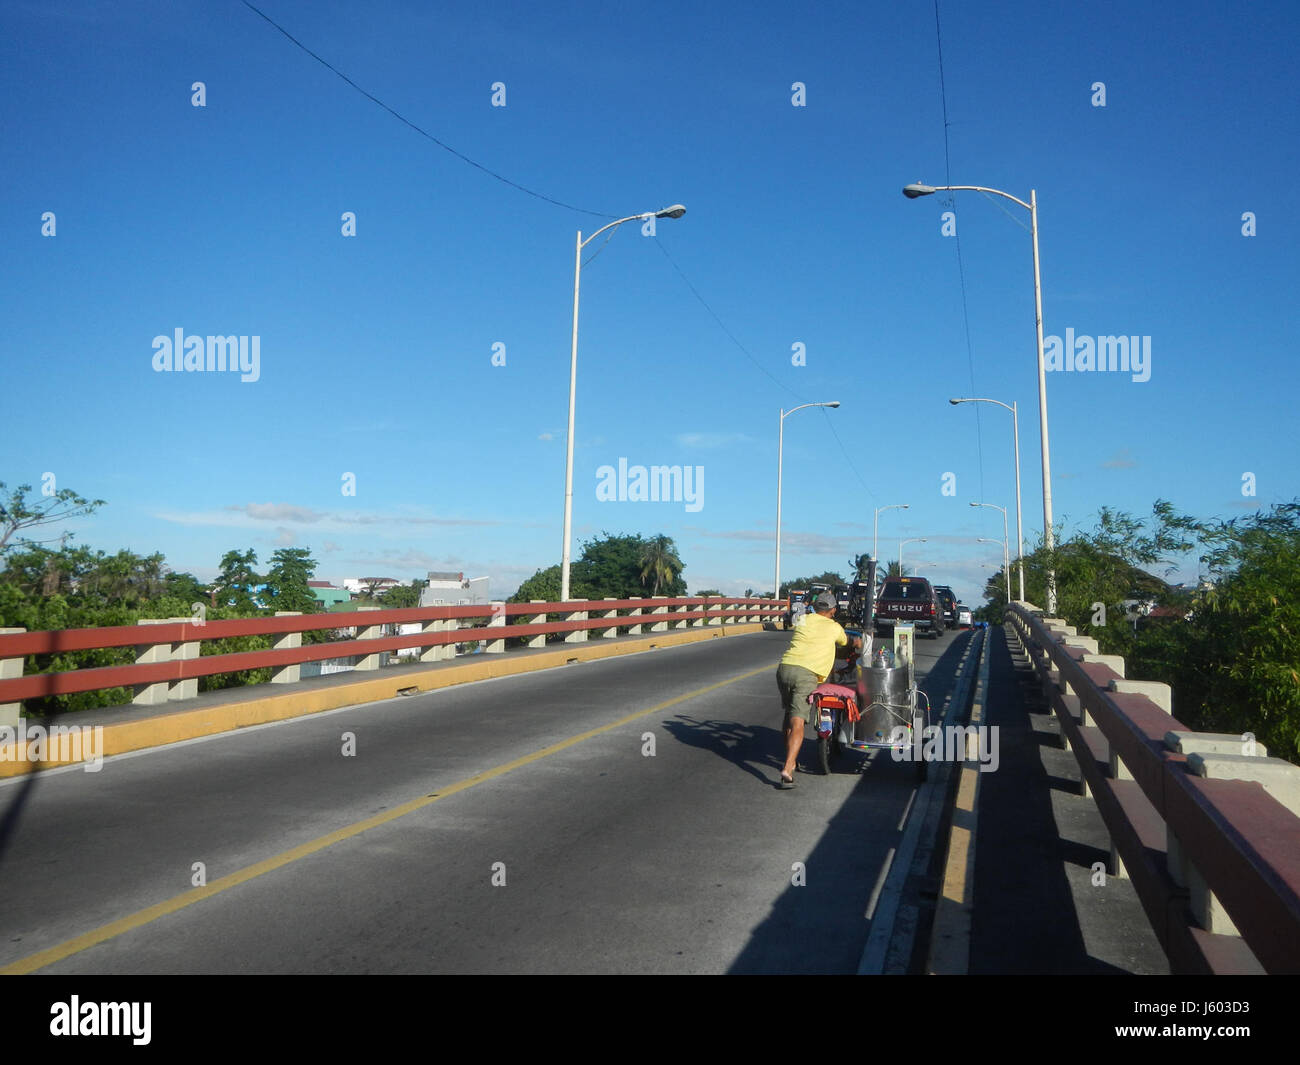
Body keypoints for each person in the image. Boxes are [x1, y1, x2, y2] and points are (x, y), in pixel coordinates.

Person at [774, 593, 860, 788]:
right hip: (806, 675)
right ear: (833, 610)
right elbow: (846, 642)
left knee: (789, 715)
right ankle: (788, 768)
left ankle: (791, 758)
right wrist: (858, 643)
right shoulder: (834, 627)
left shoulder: (803, 619)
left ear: (814, 607)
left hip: (785, 668)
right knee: (798, 722)